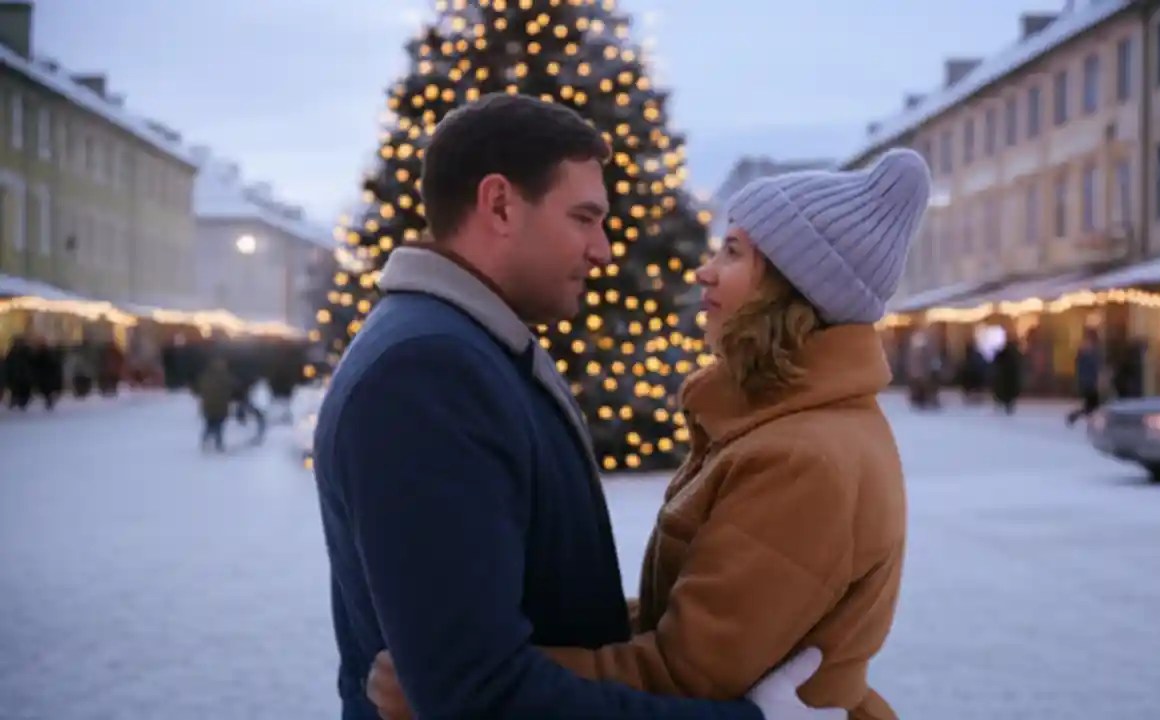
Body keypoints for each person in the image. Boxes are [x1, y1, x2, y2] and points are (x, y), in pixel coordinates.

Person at [312, 94, 837, 720]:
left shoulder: (463, 348)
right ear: (500, 205)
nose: (604, 251)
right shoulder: (429, 373)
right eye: (585, 218)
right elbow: (479, 697)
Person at [196, 355, 235, 452]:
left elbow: (200, 389)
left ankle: (206, 441)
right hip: (220, 406)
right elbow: (232, 387)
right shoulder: (225, 377)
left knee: (210, 424)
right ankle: (218, 443)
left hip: (208, 406)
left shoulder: (206, 376)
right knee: (218, 426)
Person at [1067, 328, 1102, 426]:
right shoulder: (1089, 352)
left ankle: (1075, 417)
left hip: (1088, 382)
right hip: (1089, 383)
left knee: (1092, 406)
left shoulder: (1087, 351)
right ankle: (1074, 417)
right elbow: (1093, 367)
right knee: (1092, 406)